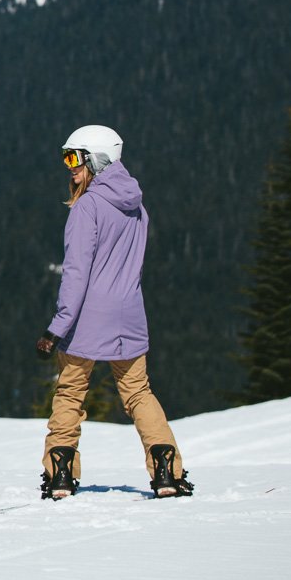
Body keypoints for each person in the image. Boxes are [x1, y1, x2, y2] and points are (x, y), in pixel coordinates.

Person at [36, 125, 193, 499]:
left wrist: (57, 328)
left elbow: (76, 273)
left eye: (74, 158)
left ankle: (60, 474)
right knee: (139, 392)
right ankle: (166, 471)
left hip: (88, 317)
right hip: (130, 313)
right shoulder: (137, 205)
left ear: (96, 159)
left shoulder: (87, 207)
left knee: (71, 393)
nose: (68, 166)